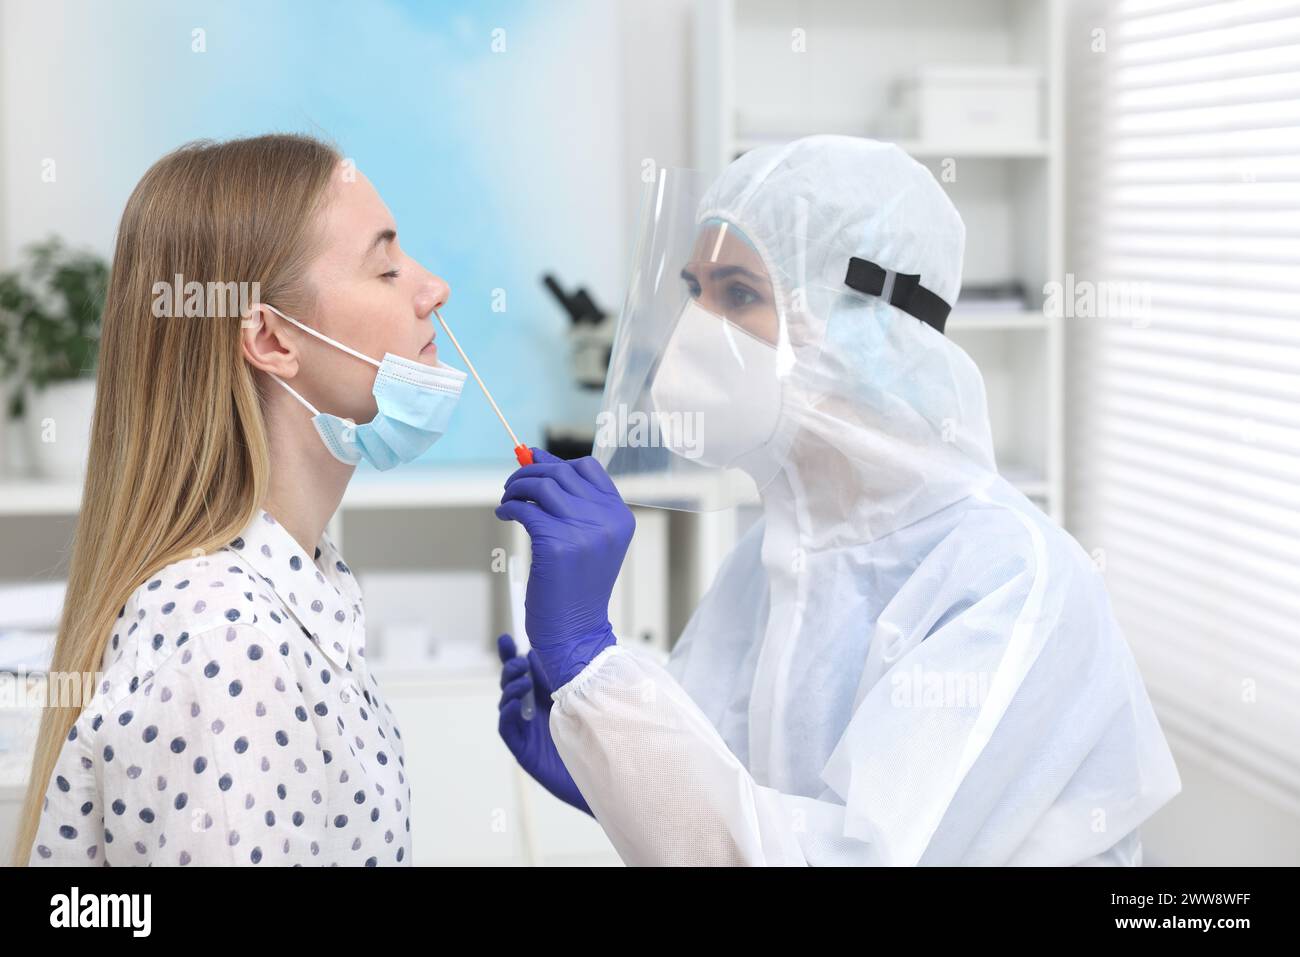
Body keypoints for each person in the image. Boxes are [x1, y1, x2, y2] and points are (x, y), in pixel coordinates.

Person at [495, 135, 1181, 866]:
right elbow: (729, 815)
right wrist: (611, 770)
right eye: (696, 292)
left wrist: (594, 665)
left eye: (740, 294)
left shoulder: (1011, 580)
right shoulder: (769, 560)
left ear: (864, 326)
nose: (696, 328)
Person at [16, 134, 466, 866]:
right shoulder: (222, 633)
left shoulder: (294, 586)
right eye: (385, 267)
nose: (431, 288)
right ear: (271, 337)